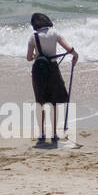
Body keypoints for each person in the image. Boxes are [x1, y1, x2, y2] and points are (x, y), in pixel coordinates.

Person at [26, 13, 77, 143]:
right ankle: (54, 133)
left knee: (40, 102)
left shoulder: (33, 36)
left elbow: (28, 58)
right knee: (54, 103)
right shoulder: (54, 33)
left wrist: (36, 56)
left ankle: (42, 134)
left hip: (39, 70)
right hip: (53, 69)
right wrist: (75, 55)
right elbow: (69, 49)